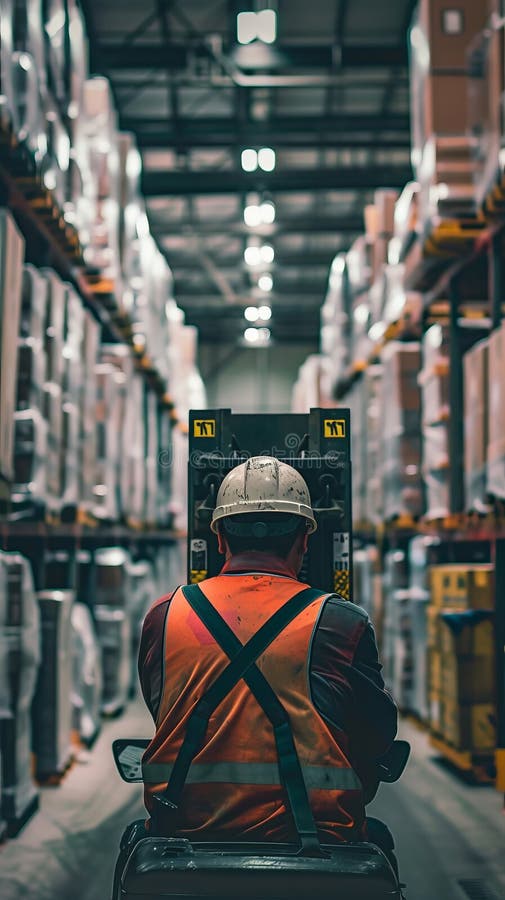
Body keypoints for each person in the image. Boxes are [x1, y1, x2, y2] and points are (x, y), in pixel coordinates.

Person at [138, 456, 398, 860]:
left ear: (220, 538)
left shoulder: (166, 616)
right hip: (320, 842)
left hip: (182, 836)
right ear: (305, 540)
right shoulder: (339, 623)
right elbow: (376, 732)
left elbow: (162, 708)